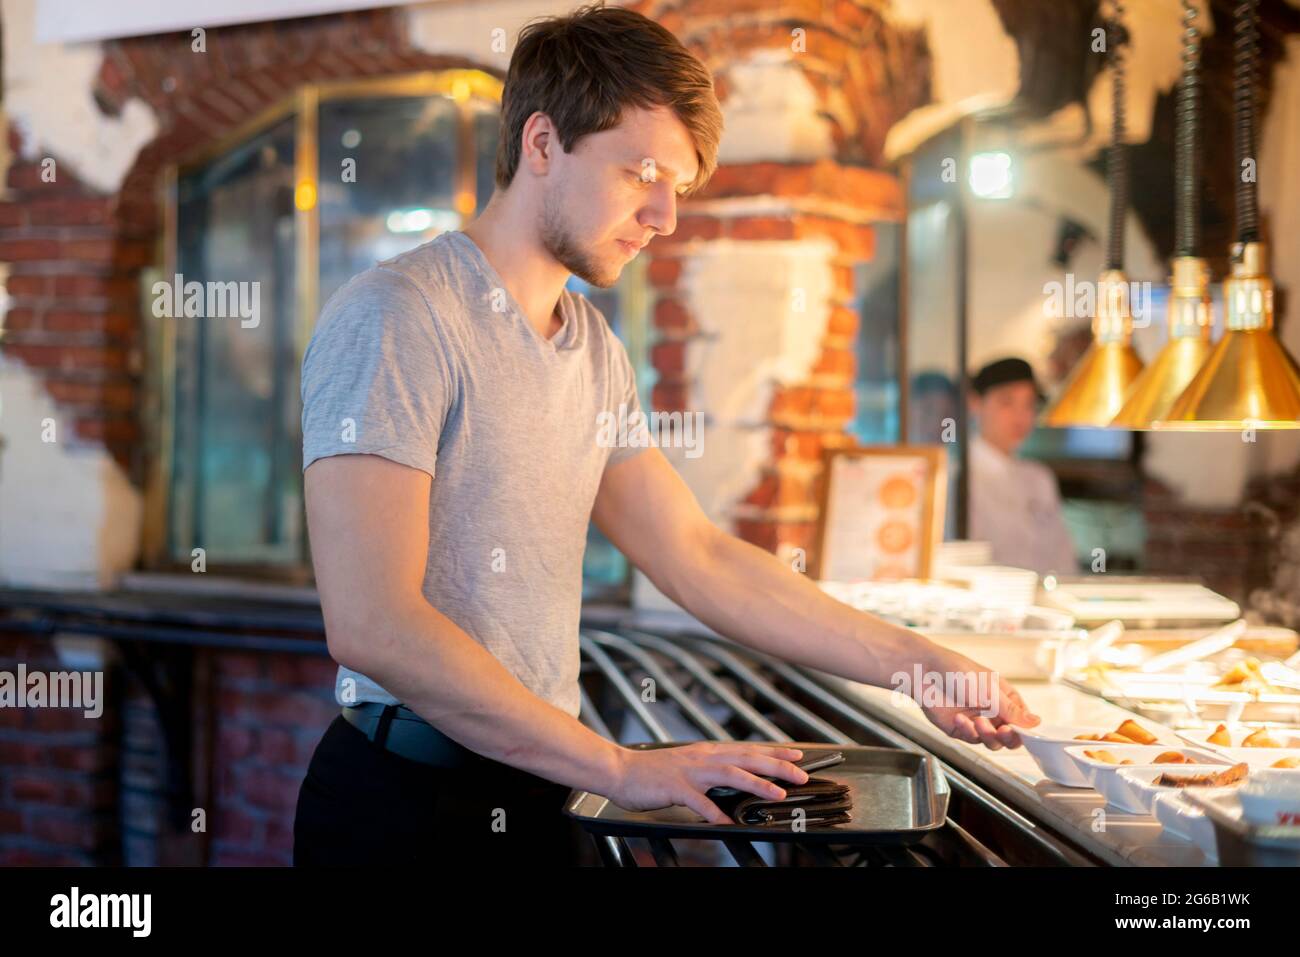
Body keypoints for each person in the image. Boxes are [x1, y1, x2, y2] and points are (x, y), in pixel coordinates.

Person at [293, 4, 1040, 867]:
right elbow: (374, 623)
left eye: (677, 188)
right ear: (542, 144)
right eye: (642, 173)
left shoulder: (591, 348)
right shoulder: (399, 316)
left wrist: (919, 663)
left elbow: (696, 554)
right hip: (408, 808)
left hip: (542, 786)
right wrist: (619, 765)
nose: (664, 215)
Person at [967, 357, 1079, 576]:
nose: (1020, 416)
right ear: (975, 403)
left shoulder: (1039, 477)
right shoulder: (958, 477)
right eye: (1006, 402)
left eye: (1029, 404)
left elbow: (1064, 558)